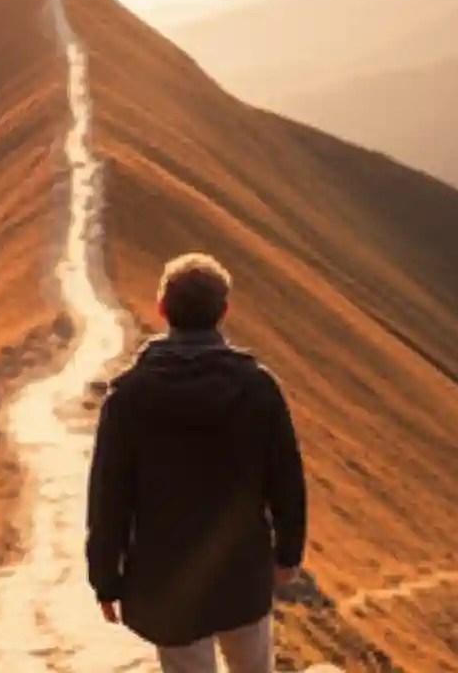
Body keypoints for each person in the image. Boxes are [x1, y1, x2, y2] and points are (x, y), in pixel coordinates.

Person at [87, 252, 307, 673]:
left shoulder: (130, 397)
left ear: (162, 309)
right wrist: (288, 552)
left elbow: (109, 497)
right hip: (242, 570)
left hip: (165, 579)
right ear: (224, 312)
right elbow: (286, 478)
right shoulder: (258, 389)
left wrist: (105, 578)